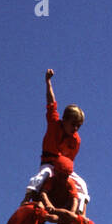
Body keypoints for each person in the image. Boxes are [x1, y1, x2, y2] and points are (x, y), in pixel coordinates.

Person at [24, 68, 88, 213]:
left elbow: (69, 163)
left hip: (61, 168)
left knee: (82, 184)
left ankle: (79, 213)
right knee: (43, 175)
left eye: (79, 126)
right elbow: (51, 103)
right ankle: (28, 198)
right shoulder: (54, 124)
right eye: (73, 124)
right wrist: (48, 82)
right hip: (48, 162)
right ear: (64, 120)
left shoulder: (75, 140)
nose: (76, 128)